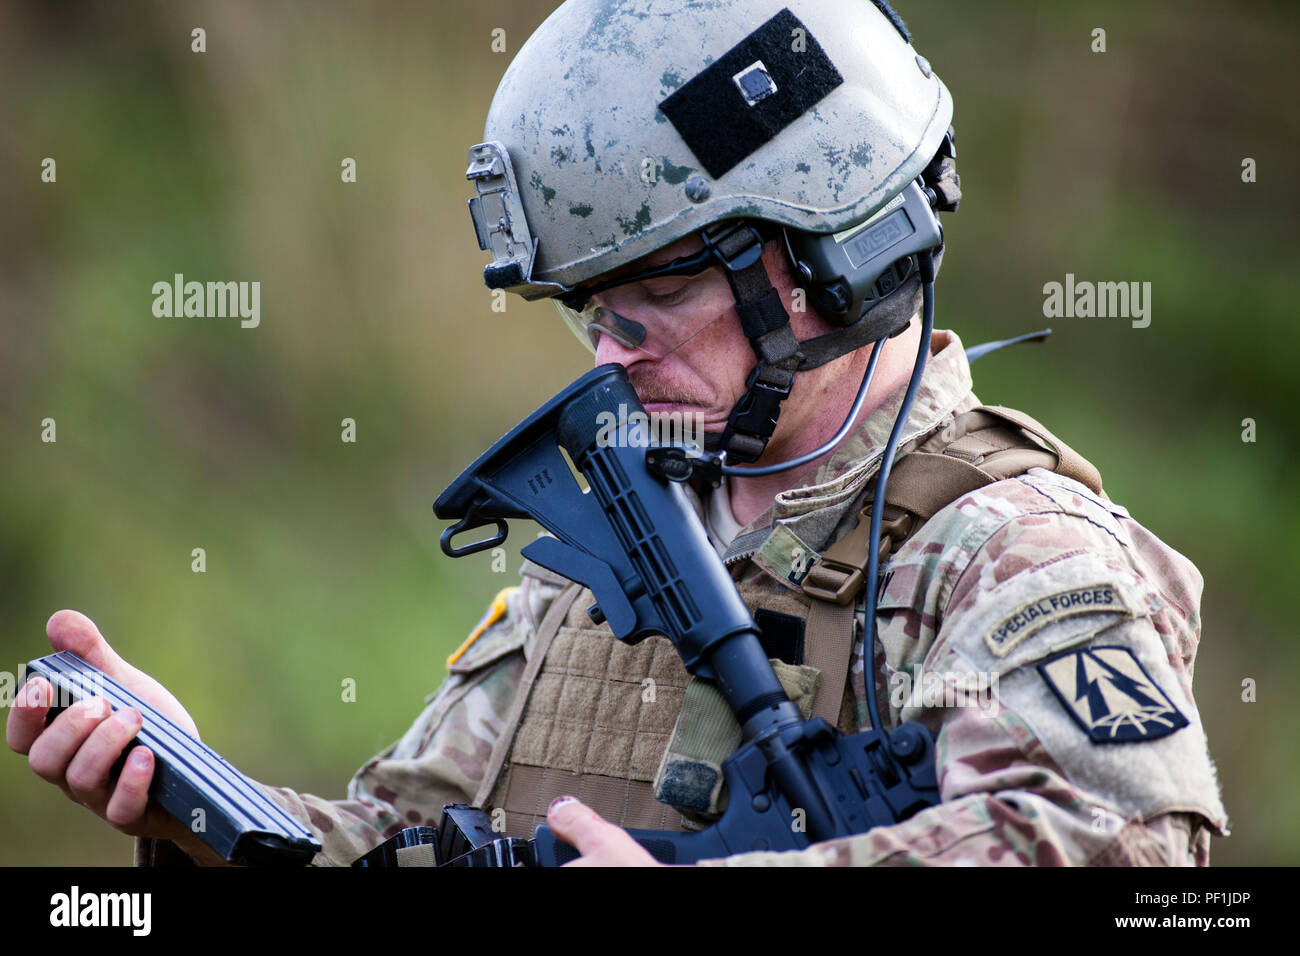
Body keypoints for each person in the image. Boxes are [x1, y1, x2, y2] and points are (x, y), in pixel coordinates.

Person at [7, 0, 1228, 867]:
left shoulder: (1009, 550)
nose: (610, 352)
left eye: (653, 303)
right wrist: (199, 795)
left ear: (827, 261)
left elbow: (1120, 841)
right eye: (593, 311)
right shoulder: (628, 529)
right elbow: (412, 837)